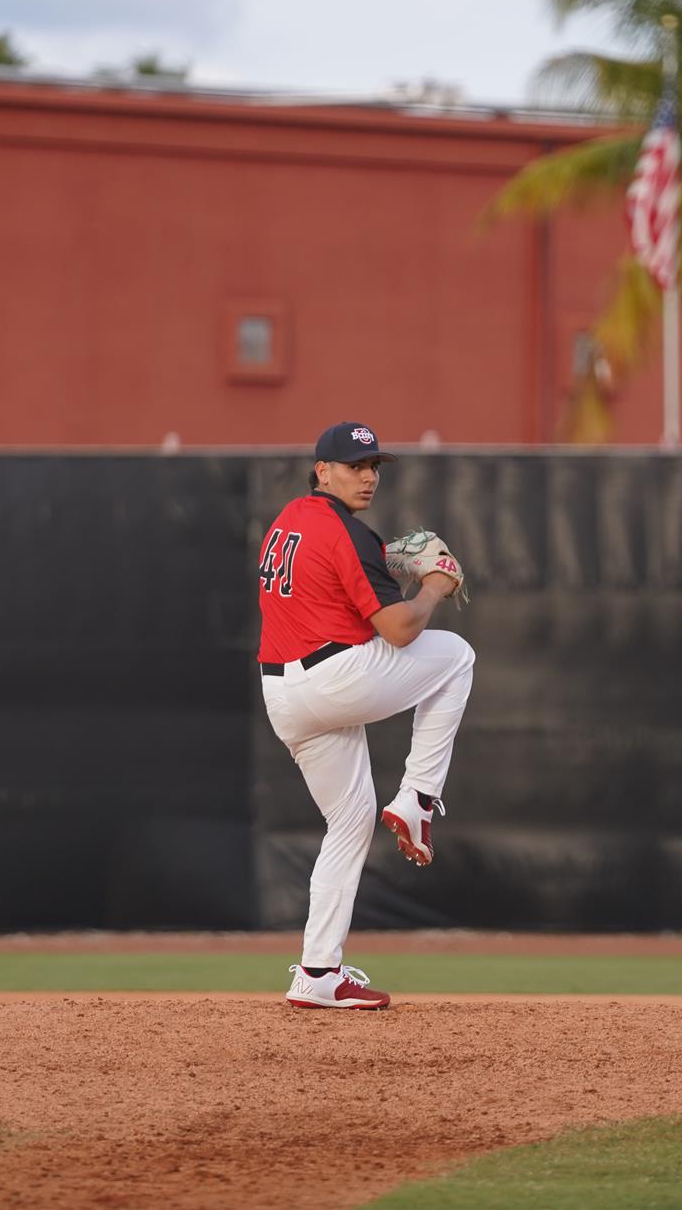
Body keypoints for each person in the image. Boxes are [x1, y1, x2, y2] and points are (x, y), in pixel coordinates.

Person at [256, 421, 476, 1010]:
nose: (368, 476)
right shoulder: (345, 533)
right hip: (333, 678)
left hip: (283, 694)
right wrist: (432, 586)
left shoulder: (288, 521)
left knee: (349, 823)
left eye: (374, 465)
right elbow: (399, 630)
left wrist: (384, 559)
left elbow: (333, 579)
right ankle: (418, 799)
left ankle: (317, 973)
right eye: (355, 465)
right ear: (322, 470)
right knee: (456, 656)